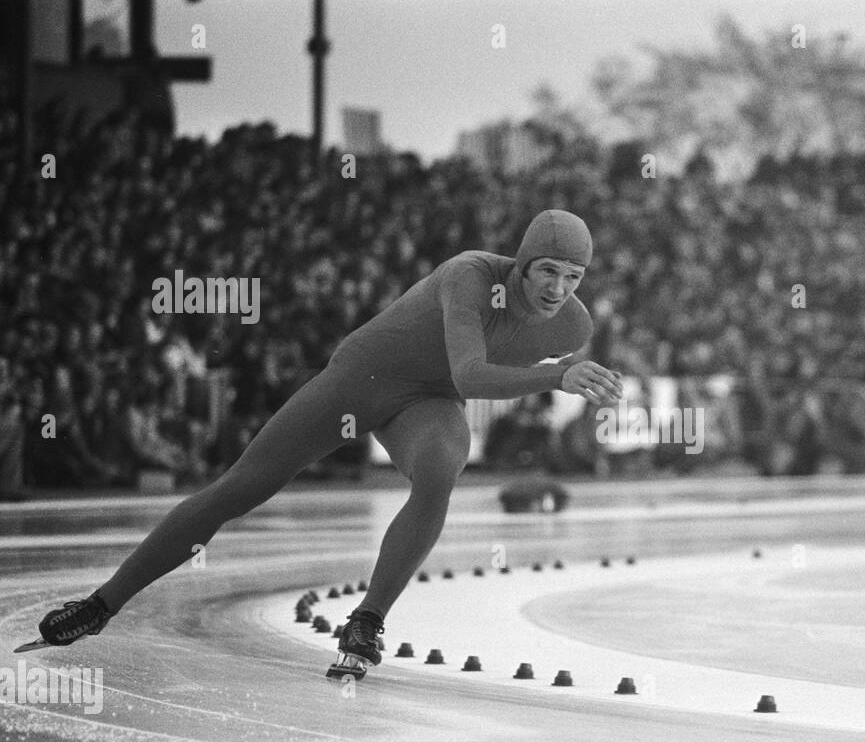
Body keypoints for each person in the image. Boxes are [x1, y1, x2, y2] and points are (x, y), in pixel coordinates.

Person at [35, 209, 623, 675]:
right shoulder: (470, 274)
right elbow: (472, 373)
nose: (558, 288)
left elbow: (468, 383)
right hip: (361, 380)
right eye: (548, 270)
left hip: (427, 403)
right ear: (521, 263)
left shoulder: (573, 325)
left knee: (442, 471)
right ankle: (102, 604)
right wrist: (557, 376)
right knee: (240, 490)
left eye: (573, 277)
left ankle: (366, 621)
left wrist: (565, 376)